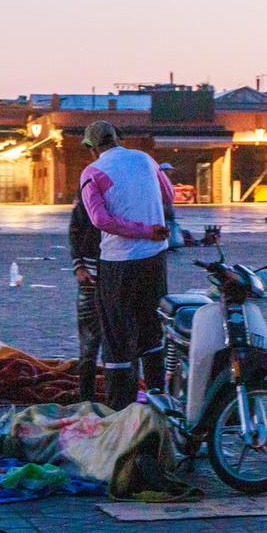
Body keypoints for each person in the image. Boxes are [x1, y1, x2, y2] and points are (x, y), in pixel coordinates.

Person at [78, 121, 173, 410]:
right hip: (155, 259)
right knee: (152, 329)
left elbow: (100, 220)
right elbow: (168, 196)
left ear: (92, 147)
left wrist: (141, 229)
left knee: (118, 337)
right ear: (118, 138)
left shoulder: (92, 172)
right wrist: (151, 226)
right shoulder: (145, 159)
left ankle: (121, 413)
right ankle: (159, 401)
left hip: (119, 263)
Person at [68, 191, 102, 402]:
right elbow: (74, 231)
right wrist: (79, 266)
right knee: (88, 347)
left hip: (115, 280)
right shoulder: (88, 194)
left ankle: (117, 401)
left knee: (116, 349)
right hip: (90, 279)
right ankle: (86, 401)